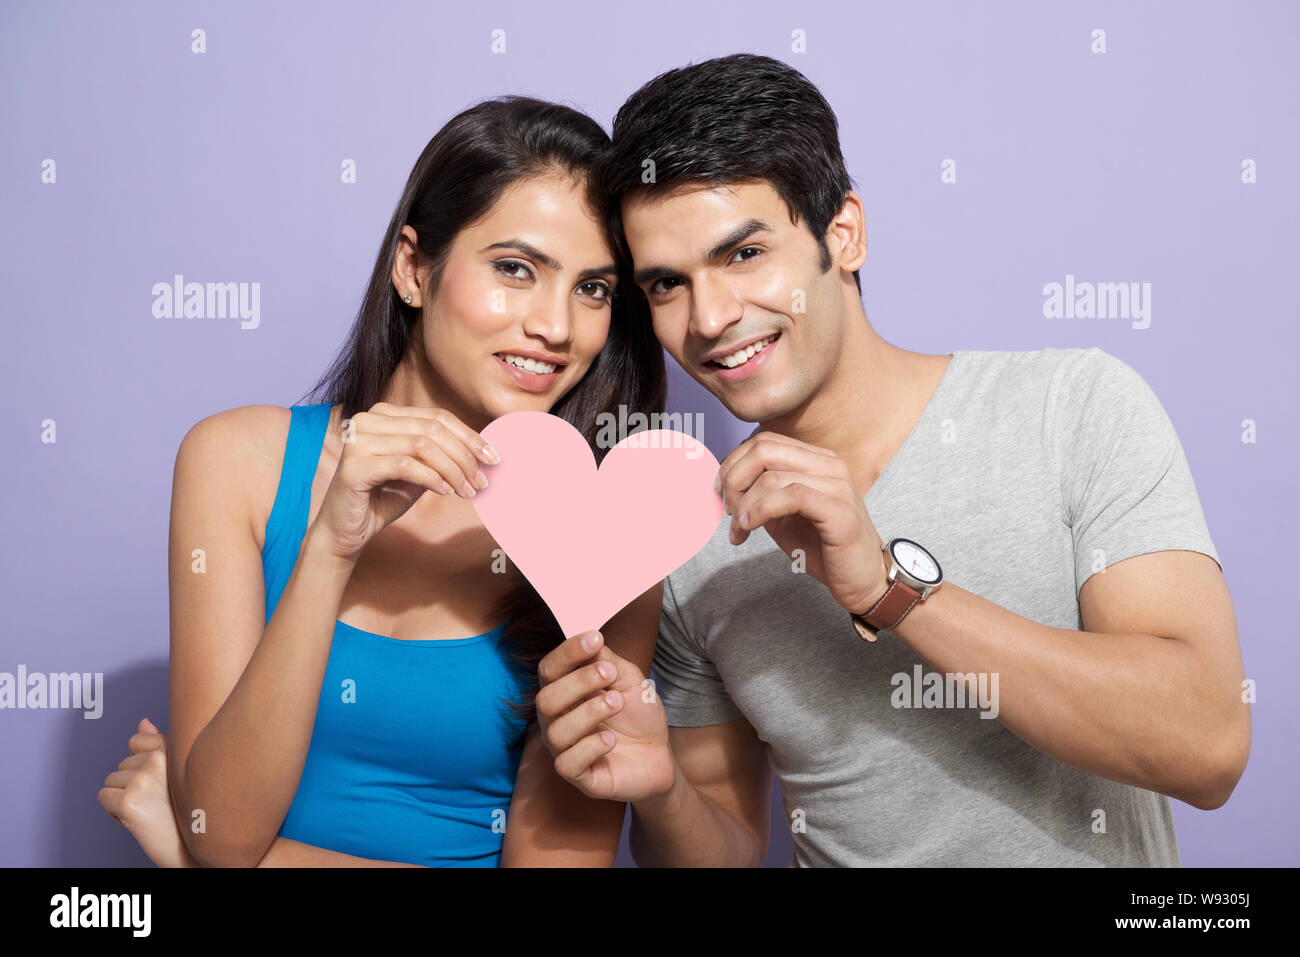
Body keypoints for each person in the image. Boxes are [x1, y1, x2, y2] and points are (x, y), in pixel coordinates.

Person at [532, 53, 1251, 866]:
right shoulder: (690, 541)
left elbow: (1208, 744)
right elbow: (727, 852)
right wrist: (660, 792)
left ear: (844, 234)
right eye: (666, 284)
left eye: (743, 255)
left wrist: (889, 590)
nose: (711, 316)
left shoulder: (1073, 406)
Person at [97, 96, 665, 867]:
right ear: (413, 267)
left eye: (593, 288)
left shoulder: (606, 538)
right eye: (515, 269)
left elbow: (211, 849)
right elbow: (223, 831)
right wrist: (331, 543)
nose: (557, 327)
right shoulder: (236, 462)